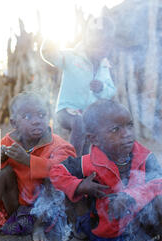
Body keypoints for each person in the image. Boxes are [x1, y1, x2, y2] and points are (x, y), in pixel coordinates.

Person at [50, 99, 162, 241]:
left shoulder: (145, 157)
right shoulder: (88, 162)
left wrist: (131, 196)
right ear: (95, 139)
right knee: (68, 189)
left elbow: (160, 182)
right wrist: (79, 186)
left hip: (136, 228)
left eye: (130, 125)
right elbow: (55, 172)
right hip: (97, 229)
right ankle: (80, 236)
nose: (127, 133)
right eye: (116, 129)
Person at [0, 92, 76, 241]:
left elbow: (64, 172)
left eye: (41, 115)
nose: (36, 121)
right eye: (27, 117)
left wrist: (27, 160)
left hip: (49, 211)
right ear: (14, 124)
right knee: (2, 172)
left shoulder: (59, 145)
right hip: (18, 208)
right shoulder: (9, 141)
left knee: (51, 177)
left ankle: (39, 226)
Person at [40, 16, 116, 157]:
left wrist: (101, 88)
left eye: (107, 46)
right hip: (66, 111)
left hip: (89, 115)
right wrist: (48, 42)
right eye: (99, 44)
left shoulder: (105, 66)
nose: (103, 49)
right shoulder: (71, 57)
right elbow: (50, 55)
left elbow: (111, 90)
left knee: (90, 138)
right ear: (88, 41)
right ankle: (72, 162)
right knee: (79, 123)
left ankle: (84, 168)